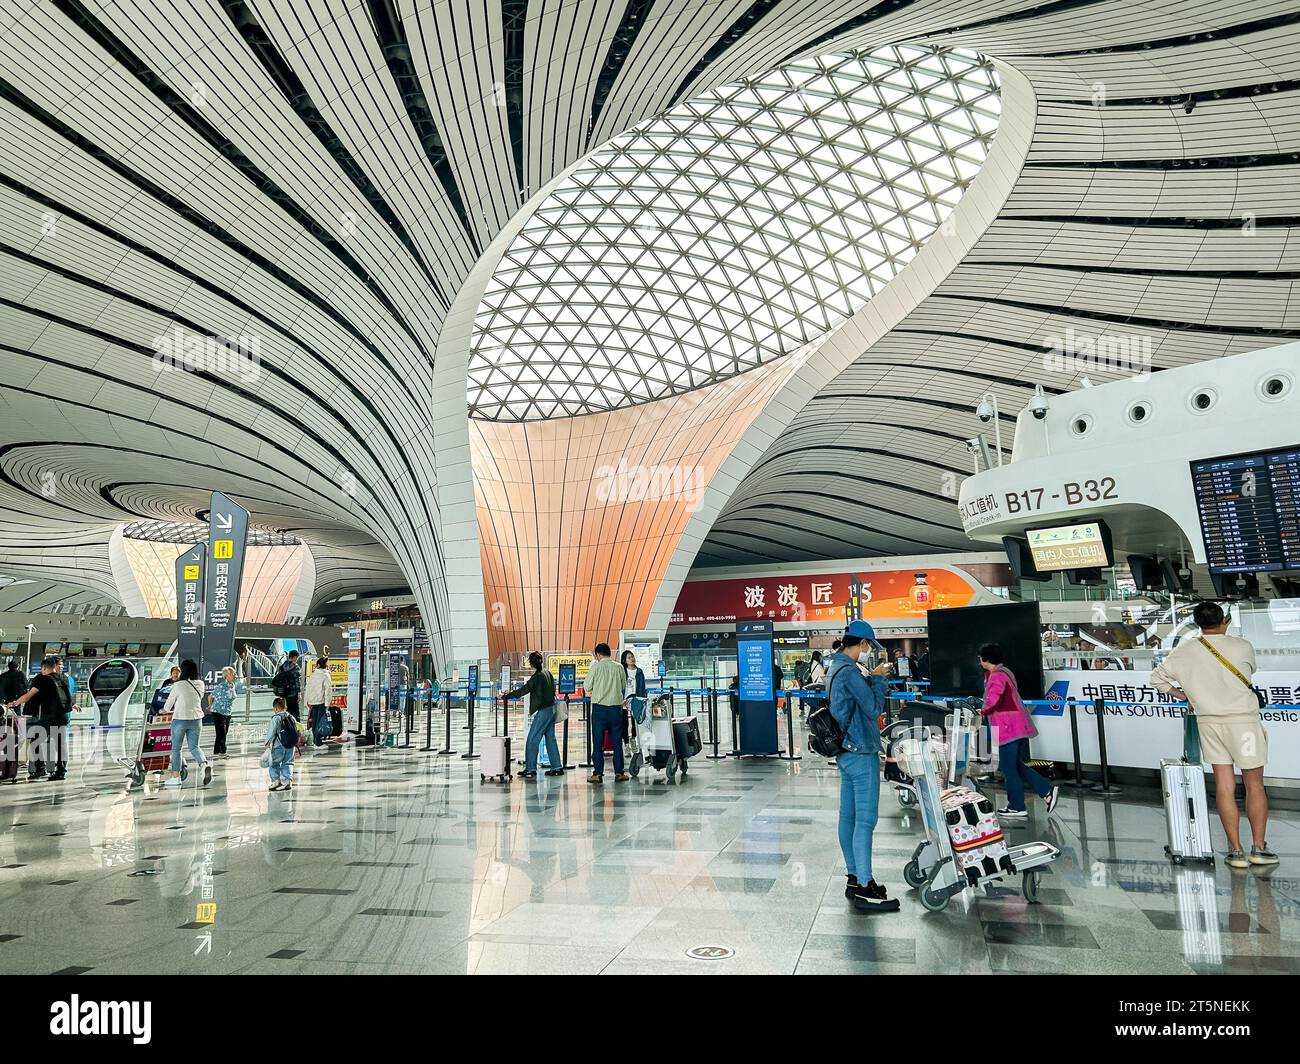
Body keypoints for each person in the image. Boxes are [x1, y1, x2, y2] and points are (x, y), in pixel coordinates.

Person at [1152, 601, 1276, 868]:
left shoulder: (1185, 650)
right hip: (1243, 723)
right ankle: (1259, 848)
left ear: (1197, 624)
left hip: (1208, 722)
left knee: (1224, 785)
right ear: (1225, 622)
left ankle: (1235, 851)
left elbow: (1157, 679)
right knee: (1254, 785)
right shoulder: (1242, 646)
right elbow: (1250, 671)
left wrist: (1184, 695)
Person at [825, 620, 897, 912]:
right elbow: (873, 708)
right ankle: (866, 885)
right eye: (869, 646)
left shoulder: (835, 668)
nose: (869, 651)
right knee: (865, 821)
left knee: (849, 817)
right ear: (863, 643)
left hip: (845, 751)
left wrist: (870, 678)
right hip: (861, 750)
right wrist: (879, 679)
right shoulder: (850, 672)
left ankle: (854, 877)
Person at [979, 643, 1057, 820]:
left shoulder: (997, 676)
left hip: (1008, 728)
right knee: (1015, 765)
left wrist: (981, 710)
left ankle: (1017, 806)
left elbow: (992, 700)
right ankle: (1046, 791)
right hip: (1015, 727)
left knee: (1008, 768)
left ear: (986, 658)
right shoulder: (1003, 672)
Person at [5, 655, 71, 781]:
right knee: (61, 745)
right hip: (63, 715)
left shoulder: (42, 679)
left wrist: (14, 703)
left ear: (45, 668)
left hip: (48, 716)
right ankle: (61, 772)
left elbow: (28, 695)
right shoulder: (63, 678)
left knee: (35, 740)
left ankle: (40, 769)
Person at [505, 651, 562, 779]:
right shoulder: (547, 673)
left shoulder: (536, 677)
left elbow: (523, 690)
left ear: (531, 663)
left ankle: (530, 768)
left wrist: (507, 696)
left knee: (532, 738)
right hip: (552, 708)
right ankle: (557, 767)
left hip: (544, 711)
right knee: (550, 738)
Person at [162, 659, 210, 788]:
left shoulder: (178, 685)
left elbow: (169, 703)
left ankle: (176, 777)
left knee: (176, 749)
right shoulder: (200, 684)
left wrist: (163, 710)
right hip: (197, 719)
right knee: (194, 747)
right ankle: (203, 765)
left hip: (180, 719)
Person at [585, 643, 629, 783]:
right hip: (616, 709)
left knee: (598, 742)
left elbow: (587, 686)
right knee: (617, 742)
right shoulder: (619, 667)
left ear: (598, 654)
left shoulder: (596, 667)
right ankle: (619, 772)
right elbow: (623, 686)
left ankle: (597, 774)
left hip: (599, 709)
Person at [207, 666, 241, 758]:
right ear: (226, 676)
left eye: (235, 673)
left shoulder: (232, 685)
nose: (235, 675)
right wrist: (210, 706)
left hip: (227, 712)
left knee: (223, 733)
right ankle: (222, 751)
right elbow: (210, 696)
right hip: (218, 712)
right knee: (222, 732)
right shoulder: (221, 686)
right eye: (233, 674)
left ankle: (217, 751)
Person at [263, 696, 296, 792]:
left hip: (278, 745)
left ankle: (275, 781)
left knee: (274, 763)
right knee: (288, 762)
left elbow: (271, 731)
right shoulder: (291, 717)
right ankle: (287, 781)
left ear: (275, 708)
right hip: (290, 745)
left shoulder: (276, 718)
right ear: (286, 707)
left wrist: (267, 742)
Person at [620, 649, 646, 748]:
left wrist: (642, 699)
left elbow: (642, 687)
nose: (632, 659)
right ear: (624, 660)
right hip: (624, 700)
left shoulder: (639, 671)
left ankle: (633, 739)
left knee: (635, 722)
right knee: (624, 723)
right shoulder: (622, 671)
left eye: (632, 657)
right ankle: (626, 743)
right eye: (629, 658)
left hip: (636, 700)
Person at [304, 657, 333, 746]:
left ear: (318, 665)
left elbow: (308, 688)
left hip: (313, 702)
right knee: (320, 722)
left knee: (314, 722)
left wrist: (307, 700)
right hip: (321, 702)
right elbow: (328, 691)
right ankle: (318, 742)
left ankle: (314, 740)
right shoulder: (325, 675)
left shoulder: (313, 675)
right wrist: (327, 703)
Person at [273, 650, 302, 720]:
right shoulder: (295, 667)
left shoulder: (282, 666)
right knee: (295, 713)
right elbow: (297, 681)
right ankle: (295, 725)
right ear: (295, 657)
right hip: (293, 693)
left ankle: (286, 724)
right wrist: (299, 693)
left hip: (284, 693)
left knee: (286, 711)